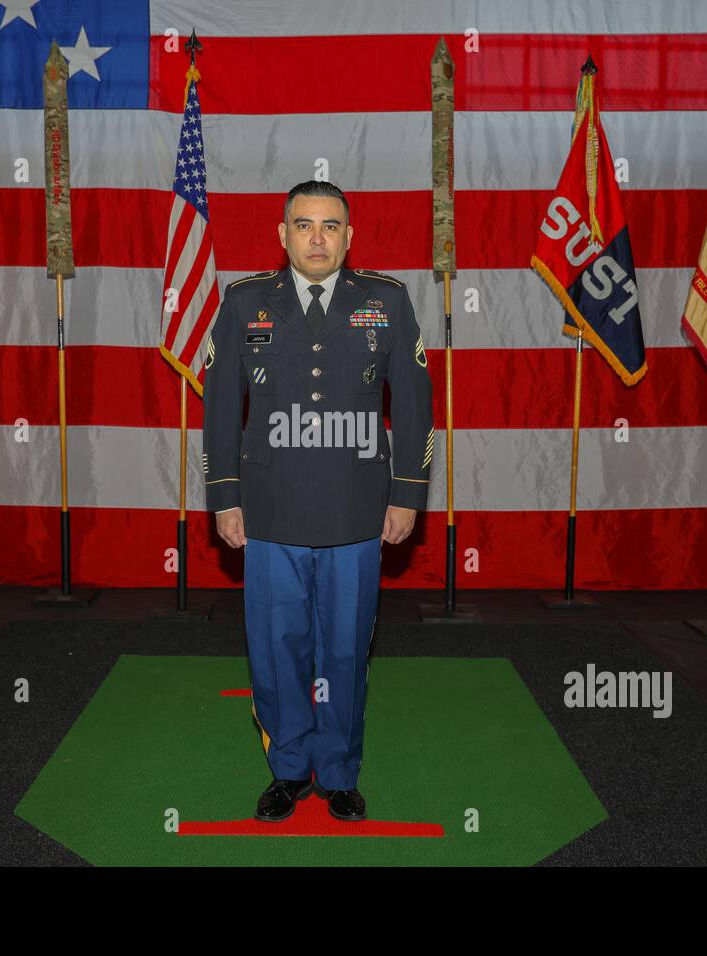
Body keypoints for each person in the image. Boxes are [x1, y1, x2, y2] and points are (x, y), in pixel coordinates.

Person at [201, 180, 434, 822]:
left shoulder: (386, 301)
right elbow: (220, 405)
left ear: (349, 237)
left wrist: (408, 495)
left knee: (344, 646)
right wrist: (224, 496)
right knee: (277, 646)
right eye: (303, 225)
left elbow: (414, 406)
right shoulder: (246, 301)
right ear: (282, 234)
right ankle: (287, 769)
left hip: (356, 509)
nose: (317, 238)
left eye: (330, 226)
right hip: (269, 508)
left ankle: (337, 772)